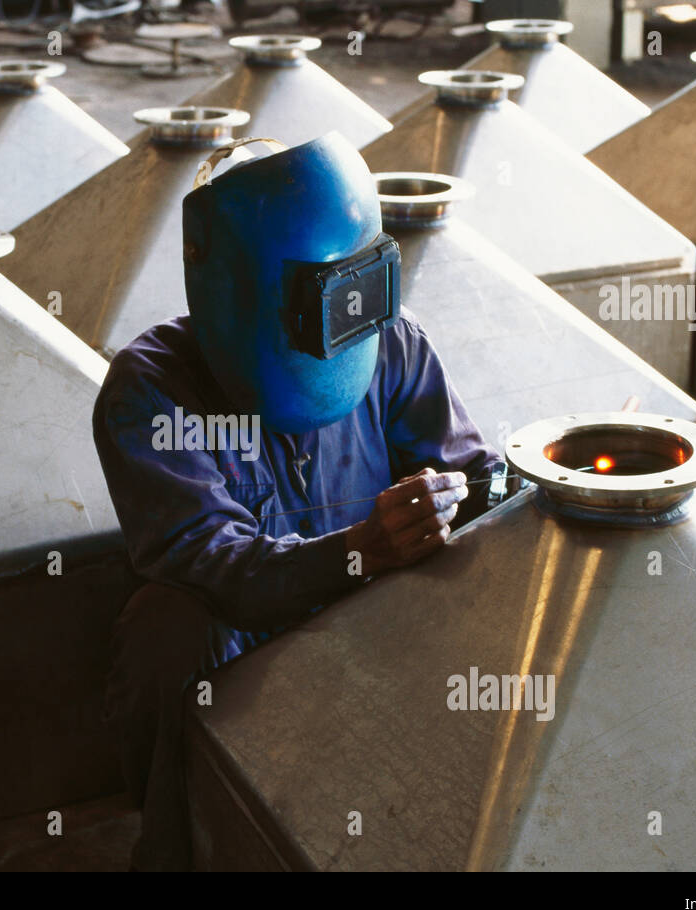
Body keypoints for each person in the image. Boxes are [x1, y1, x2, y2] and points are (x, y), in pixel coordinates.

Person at [92, 132, 514, 871]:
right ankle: (179, 845)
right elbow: (211, 564)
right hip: (240, 643)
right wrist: (360, 550)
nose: (344, 323)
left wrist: (483, 494)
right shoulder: (151, 390)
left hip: (377, 622)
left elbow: (478, 481)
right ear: (243, 291)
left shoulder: (394, 346)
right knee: (166, 626)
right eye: (315, 304)